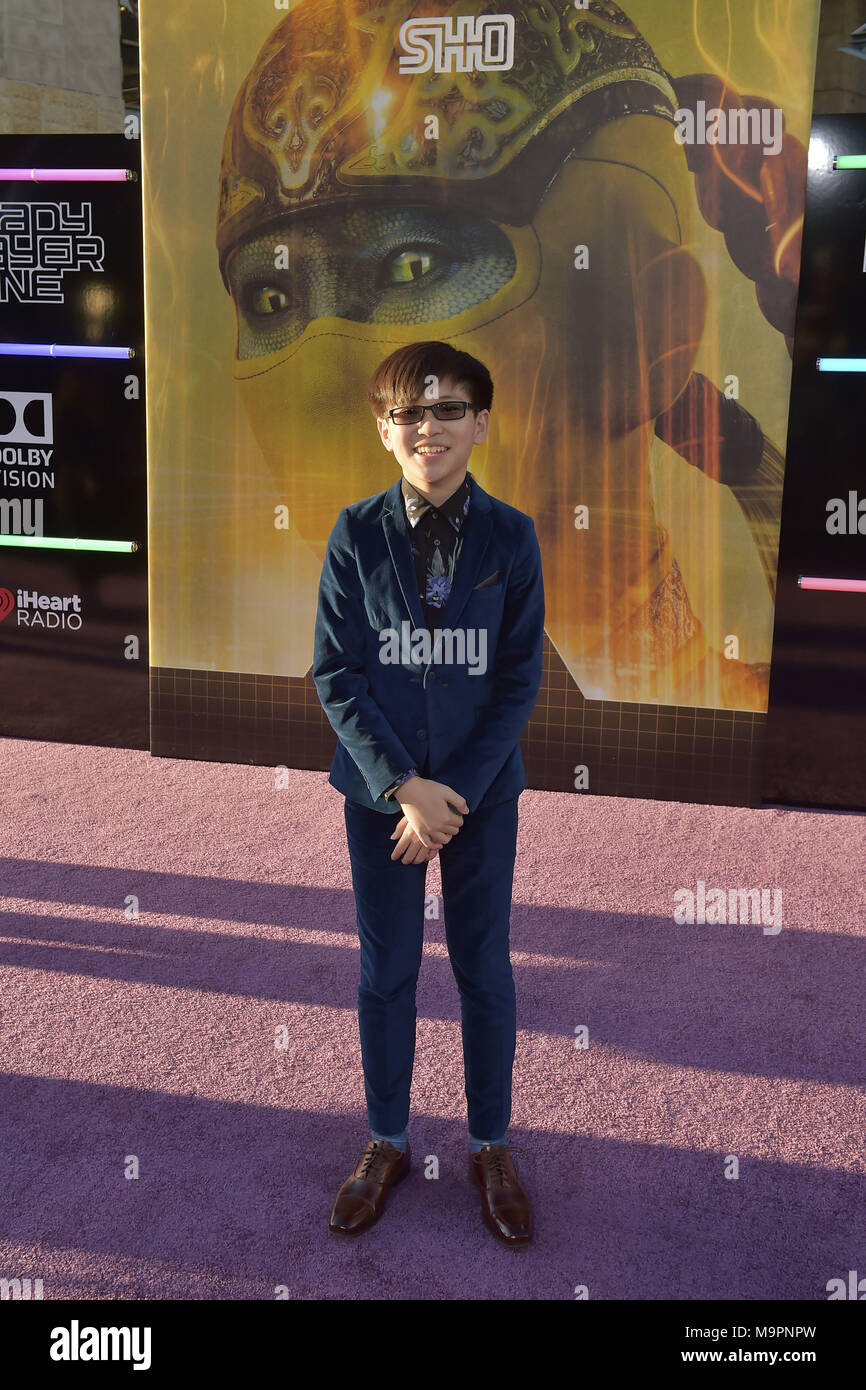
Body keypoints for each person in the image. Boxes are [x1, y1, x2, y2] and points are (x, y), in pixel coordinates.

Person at [312, 340, 545, 1245]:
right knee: (389, 971)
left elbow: (518, 677)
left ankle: (491, 1144)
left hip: (481, 800)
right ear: (385, 429)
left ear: (480, 423)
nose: (430, 428)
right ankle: (387, 1140)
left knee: (484, 970)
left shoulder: (513, 535)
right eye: (412, 412)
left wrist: (456, 795)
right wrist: (406, 787)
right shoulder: (353, 532)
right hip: (383, 802)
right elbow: (337, 674)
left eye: (450, 410)